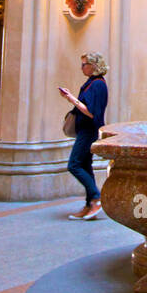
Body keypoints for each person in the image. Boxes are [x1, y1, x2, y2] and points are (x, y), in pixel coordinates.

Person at [59, 52, 108, 220]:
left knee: (74, 164)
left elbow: (93, 113)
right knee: (85, 166)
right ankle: (89, 205)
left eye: (84, 64)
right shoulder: (91, 83)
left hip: (89, 130)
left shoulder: (98, 85)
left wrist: (71, 99)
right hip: (84, 130)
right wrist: (70, 98)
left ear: (94, 65)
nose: (81, 67)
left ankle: (96, 197)